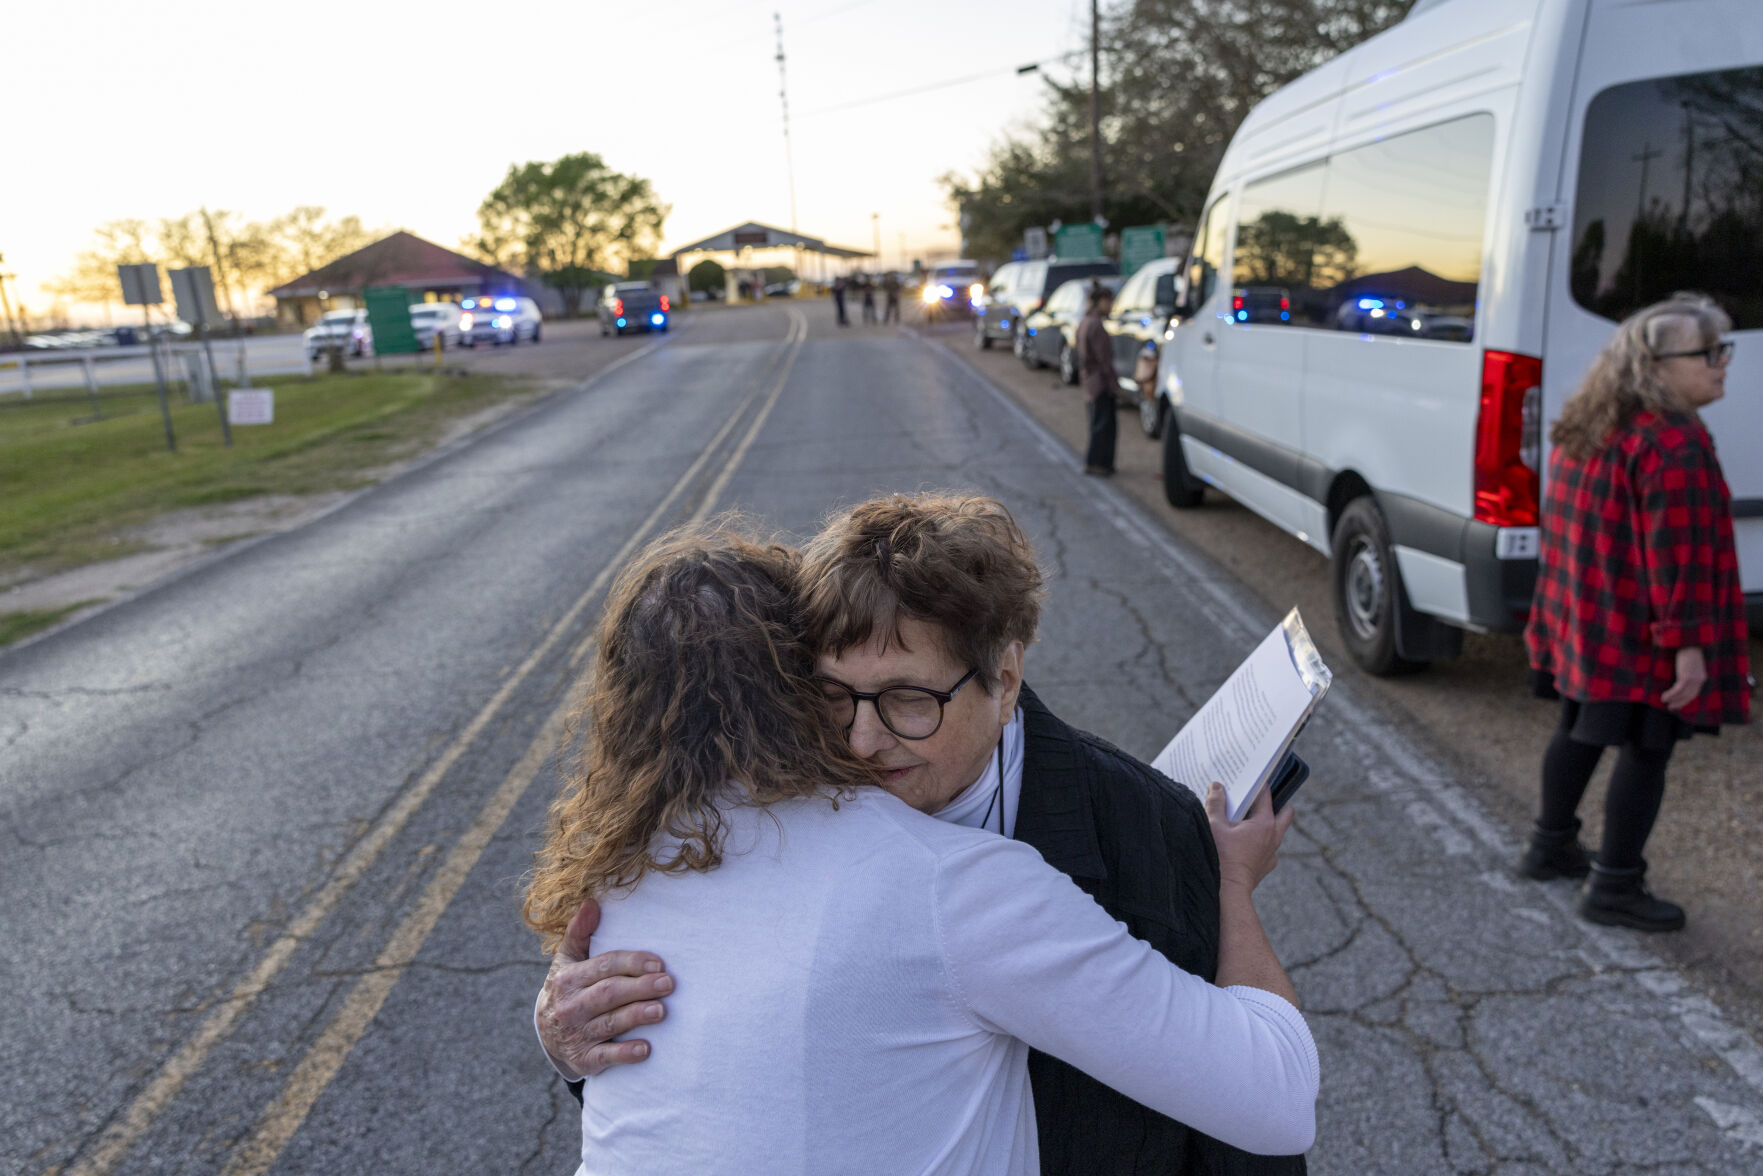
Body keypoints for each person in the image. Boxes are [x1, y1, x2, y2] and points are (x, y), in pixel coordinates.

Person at [536, 495, 1314, 1175]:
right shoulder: (703, 834)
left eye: (910, 700)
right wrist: (566, 1037)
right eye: (834, 696)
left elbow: (1252, 1118)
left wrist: (1226, 888)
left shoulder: (1138, 827)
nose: (864, 742)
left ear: (1004, 679)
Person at [1520, 294, 1751, 932]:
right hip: (1640, 637)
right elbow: (1678, 555)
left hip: (1589, 626)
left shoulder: (1591, 422)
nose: (1722, 363)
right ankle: (1615, 885)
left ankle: (1550, 846)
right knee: (1647, 751)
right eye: (1708, 353)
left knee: (1577, 728)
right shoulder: (1671, 440)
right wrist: (1690, 648)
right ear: (1655, 363)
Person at [1076, 283, 1118, 475]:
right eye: (1108, 301)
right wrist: (1113, 383)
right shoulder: (1096, 325)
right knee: (1104, 426)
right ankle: (1099, 464)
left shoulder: (1085, 322)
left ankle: (1093, 462)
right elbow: (1104, 360)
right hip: (1099, 382)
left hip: (1089, 381)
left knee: (1096, 424)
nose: (1110, 305)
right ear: (1100, 301)